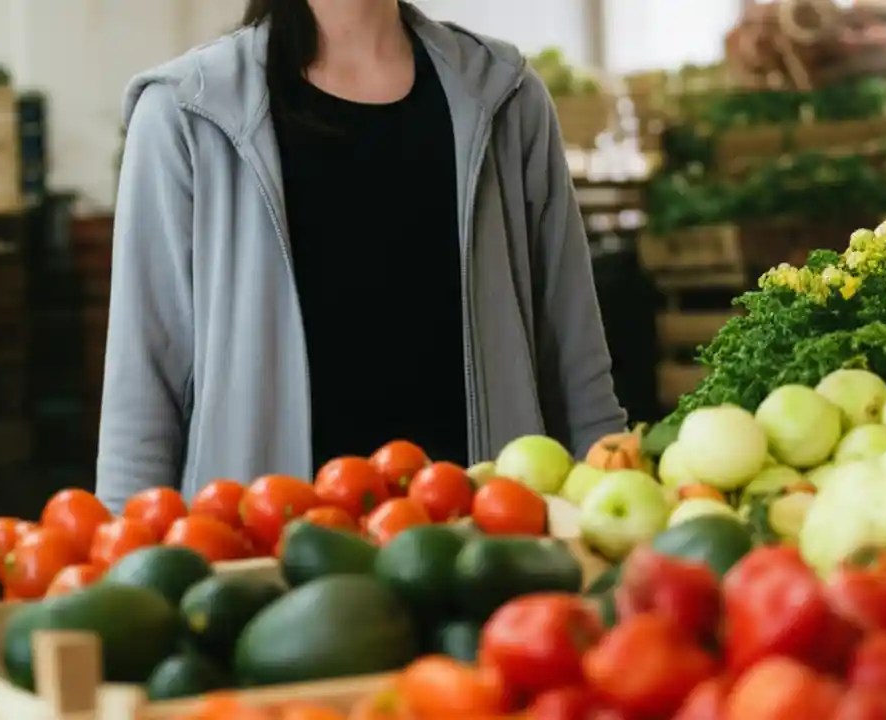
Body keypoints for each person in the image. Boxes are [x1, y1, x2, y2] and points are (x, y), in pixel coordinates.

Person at [96, 0, 625, 511]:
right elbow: (144, 388)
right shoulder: (185, 113)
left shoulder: (507, 97)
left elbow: (575, 361)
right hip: (264, 567)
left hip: (485, 558)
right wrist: (123, 567)